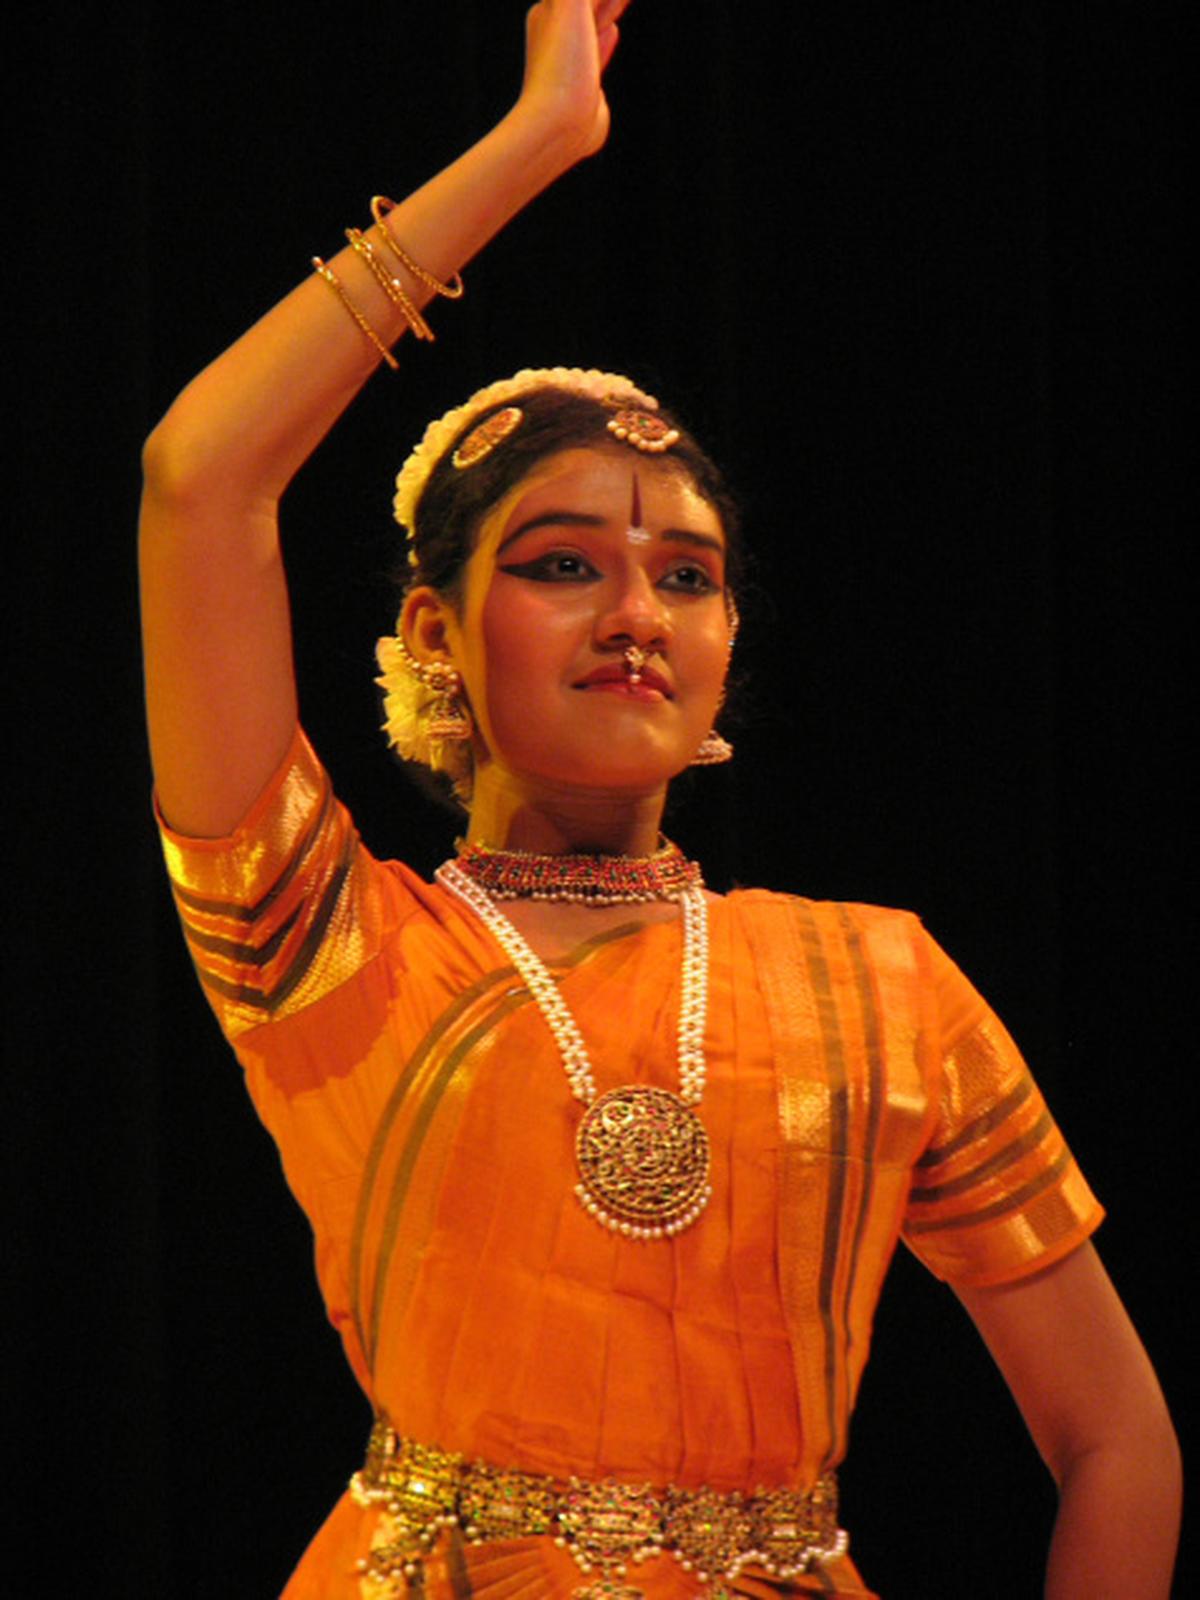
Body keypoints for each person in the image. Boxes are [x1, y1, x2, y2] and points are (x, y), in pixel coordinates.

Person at [139, 2, 1180, 1595]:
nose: (637, 614)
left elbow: (1118, 1441)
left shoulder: (881, 984)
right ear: (436, 633)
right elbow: (203, 480)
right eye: (564, 566)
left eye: (684, 577)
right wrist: (536, 140)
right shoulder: (322, 949)